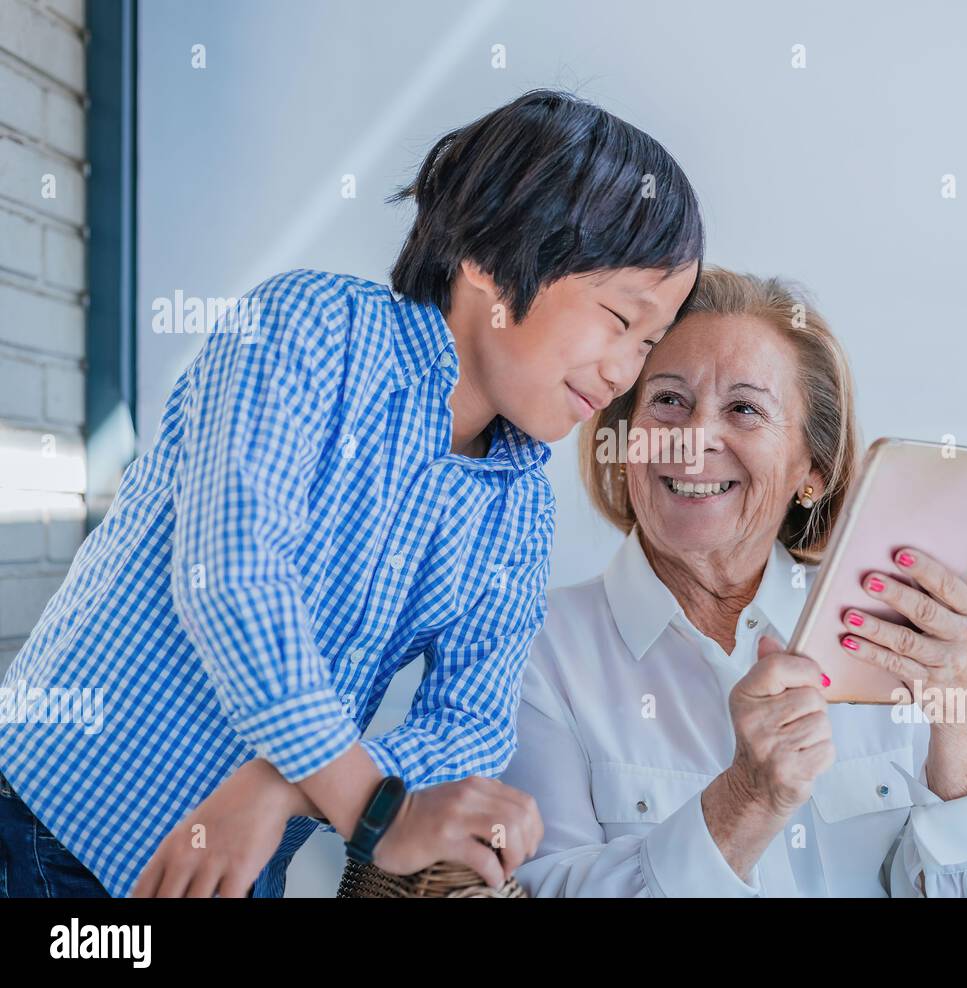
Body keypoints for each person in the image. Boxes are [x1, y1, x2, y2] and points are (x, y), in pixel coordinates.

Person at [0, 89, 702, 898]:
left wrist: (283, 785)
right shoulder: (308, 327)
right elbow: (231, 576)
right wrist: (367, 801)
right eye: (619, 317)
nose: (624, 371)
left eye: (647, 343)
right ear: (490, 259)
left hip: (237, 877)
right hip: (48, 826)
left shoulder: (519, 505)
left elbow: (468, 730)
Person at [501, 267, 967, 896]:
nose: (694, 441)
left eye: (745, 409)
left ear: (812, 469)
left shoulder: (897, 636)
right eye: (668, 400)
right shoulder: (532, 649)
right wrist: (746, 800)